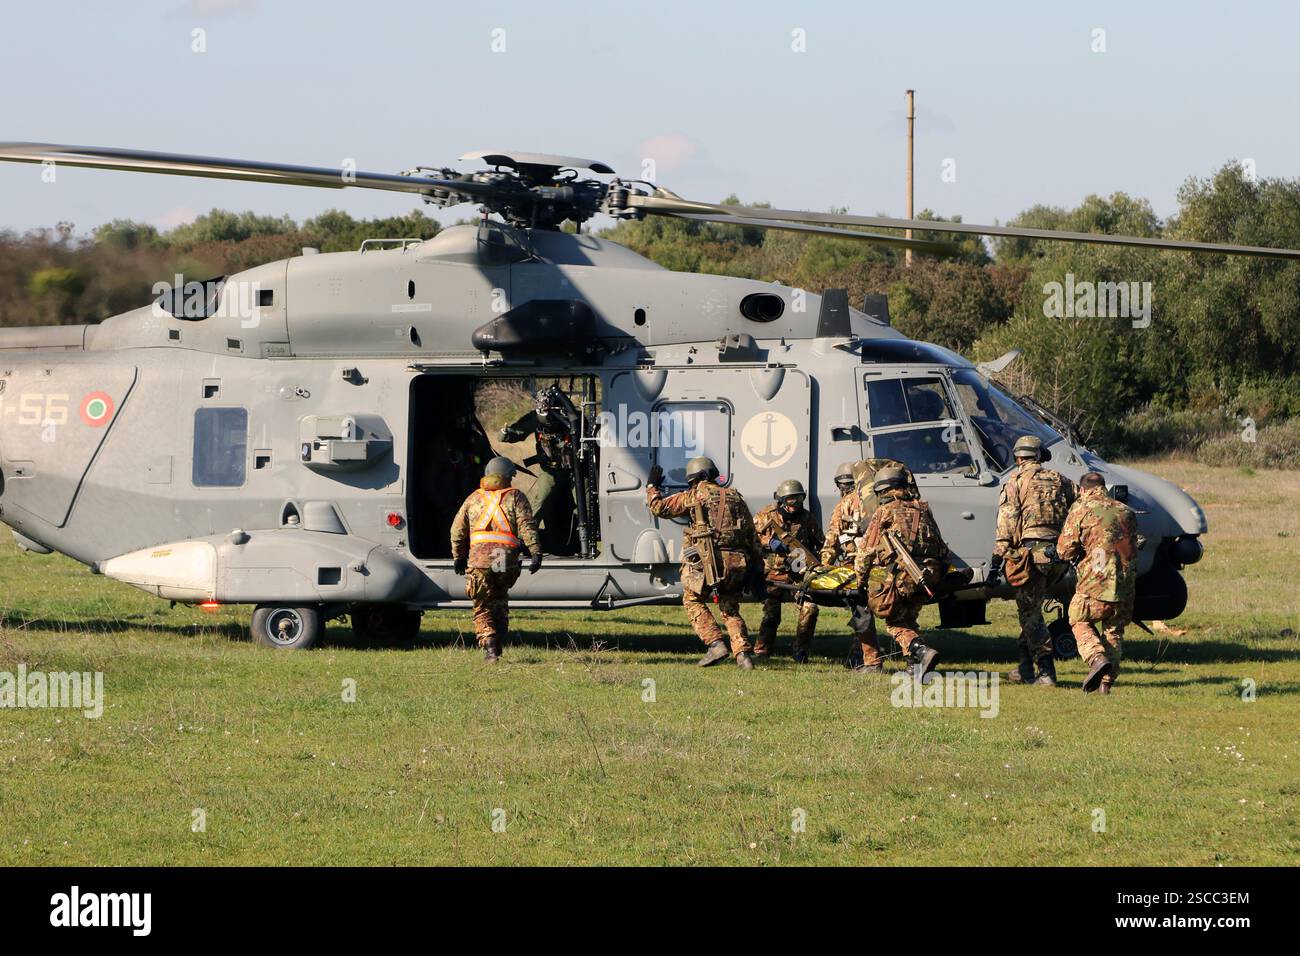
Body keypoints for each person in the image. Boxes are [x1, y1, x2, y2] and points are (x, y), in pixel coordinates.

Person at [646, 456, 763, 669]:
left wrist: (652, 486)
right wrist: (757, 567)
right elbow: (752, 536)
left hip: (709, 560)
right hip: (737, 562)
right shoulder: (736, 497)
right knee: (730, 608)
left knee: (692, 600)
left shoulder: (694, 495)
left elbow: (659, 508)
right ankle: (744, 656)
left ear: (696, 478)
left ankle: (715, 644)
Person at [993, 434, 1077, 686]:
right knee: (1032, 609)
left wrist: (998, 556)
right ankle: (1024, 668)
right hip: (1059, 557)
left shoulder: (1016, 481)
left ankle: (1046, 673)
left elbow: (1007, 521)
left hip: (1032, 556)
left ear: (1018, 457)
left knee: (1030, 616)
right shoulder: (1061, 480)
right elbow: (1078, 507)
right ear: (1039, 456)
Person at [854, 464, 950, 679]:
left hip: (901, 576)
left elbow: (866, 551)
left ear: (881, 490)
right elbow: (941, 546)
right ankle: (914, 668)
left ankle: (921, 650)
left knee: (894, 622)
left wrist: (860, 581)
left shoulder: (885, 511)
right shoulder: (923, 508)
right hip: (927, 574)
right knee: (909, 619)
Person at [449, 456, 542, 662]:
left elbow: (457, 530)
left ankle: (490, 648)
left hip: (479, 562)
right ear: (508, 476)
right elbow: (527, 525)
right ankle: (498, 641)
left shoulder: (473, 498)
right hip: (506, 562)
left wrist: (458, 556)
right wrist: (536, 552)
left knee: (482, 605)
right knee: (499, 599)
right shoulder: (516, 496)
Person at [821, 458, 909, 672]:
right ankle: (911, 659)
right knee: (897, 615)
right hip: (887, 568)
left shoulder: (845, 504)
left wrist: (823, 567)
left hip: (857, 568)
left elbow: (832, 539)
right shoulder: (883, 500)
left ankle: (870, 661)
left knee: (862, 614)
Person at [1057, 471, 1138, 694]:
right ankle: (1106, 684)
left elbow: (1064, 550)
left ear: (1083, 489)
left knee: (1077, 617)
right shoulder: (1125, 510)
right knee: (1114, 631)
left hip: (1095, 581)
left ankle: (1096, 658)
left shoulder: (1081, 508)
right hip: (1125, 584)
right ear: (1104, 487)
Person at [500, 384, 577, 554]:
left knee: (584, 504)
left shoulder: (573, 418)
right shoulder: (535, 418)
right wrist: (506, 433)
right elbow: (518, 432)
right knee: (538, 504)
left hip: (575, 471)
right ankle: (523, 542)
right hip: (549, 471)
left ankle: (585, 542)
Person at [753, 479, 824, 661]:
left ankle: (801, 651)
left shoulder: (807, 519)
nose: (796, 505)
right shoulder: (766, 515)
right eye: (791, 500)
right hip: (773, 575)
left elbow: (821, 543)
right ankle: (762, 651)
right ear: (781, 500)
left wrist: (817, 562)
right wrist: (768, 542)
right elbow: (751, 536)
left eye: (800, 499)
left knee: (810, 609)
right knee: (771, 614)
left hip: (798, 575)